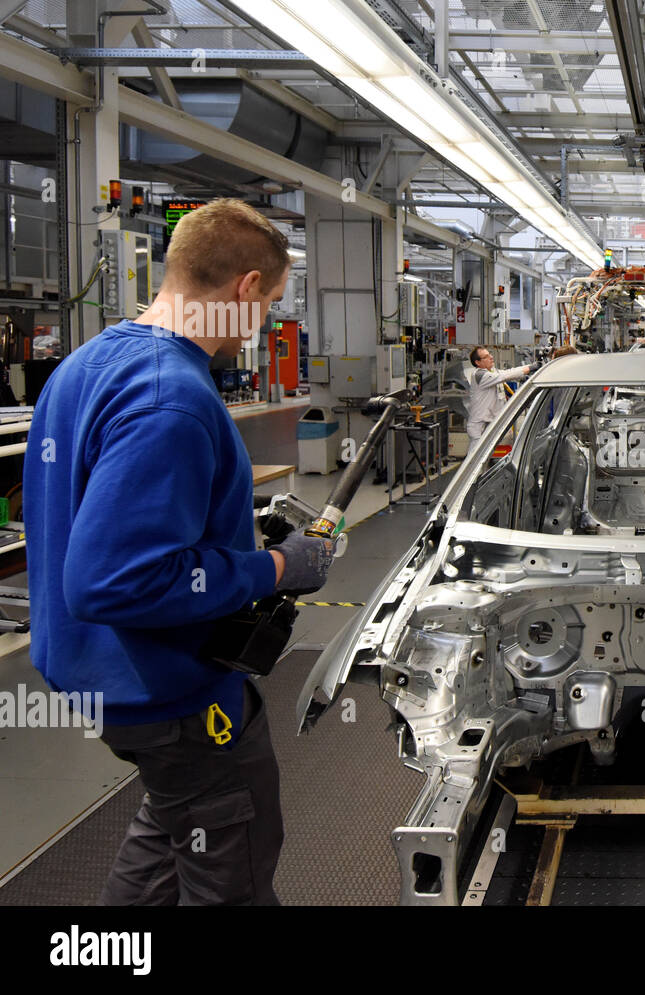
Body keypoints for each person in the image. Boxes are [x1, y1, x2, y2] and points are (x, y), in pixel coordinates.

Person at [25, 199, 337, 905]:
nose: (262, 324)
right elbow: (113, 580)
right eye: (271, 303)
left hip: (104, 681)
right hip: (173, 694)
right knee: (231, 870)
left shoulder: (84, 366)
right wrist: (279, 566)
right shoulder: (174, 398)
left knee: (173, 829)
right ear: (246, 289)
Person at [465, 345, 541, 445]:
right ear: (478, 362)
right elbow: (504, 376)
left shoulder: (492, 372)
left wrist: (528, 368)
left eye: (490, 354)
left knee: (484, 456)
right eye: (486, 357)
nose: (491, 357)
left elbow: (509, 372)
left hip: (489, 422)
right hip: (479, 426)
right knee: (475, 457)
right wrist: (530, 368)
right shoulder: (480, 375)